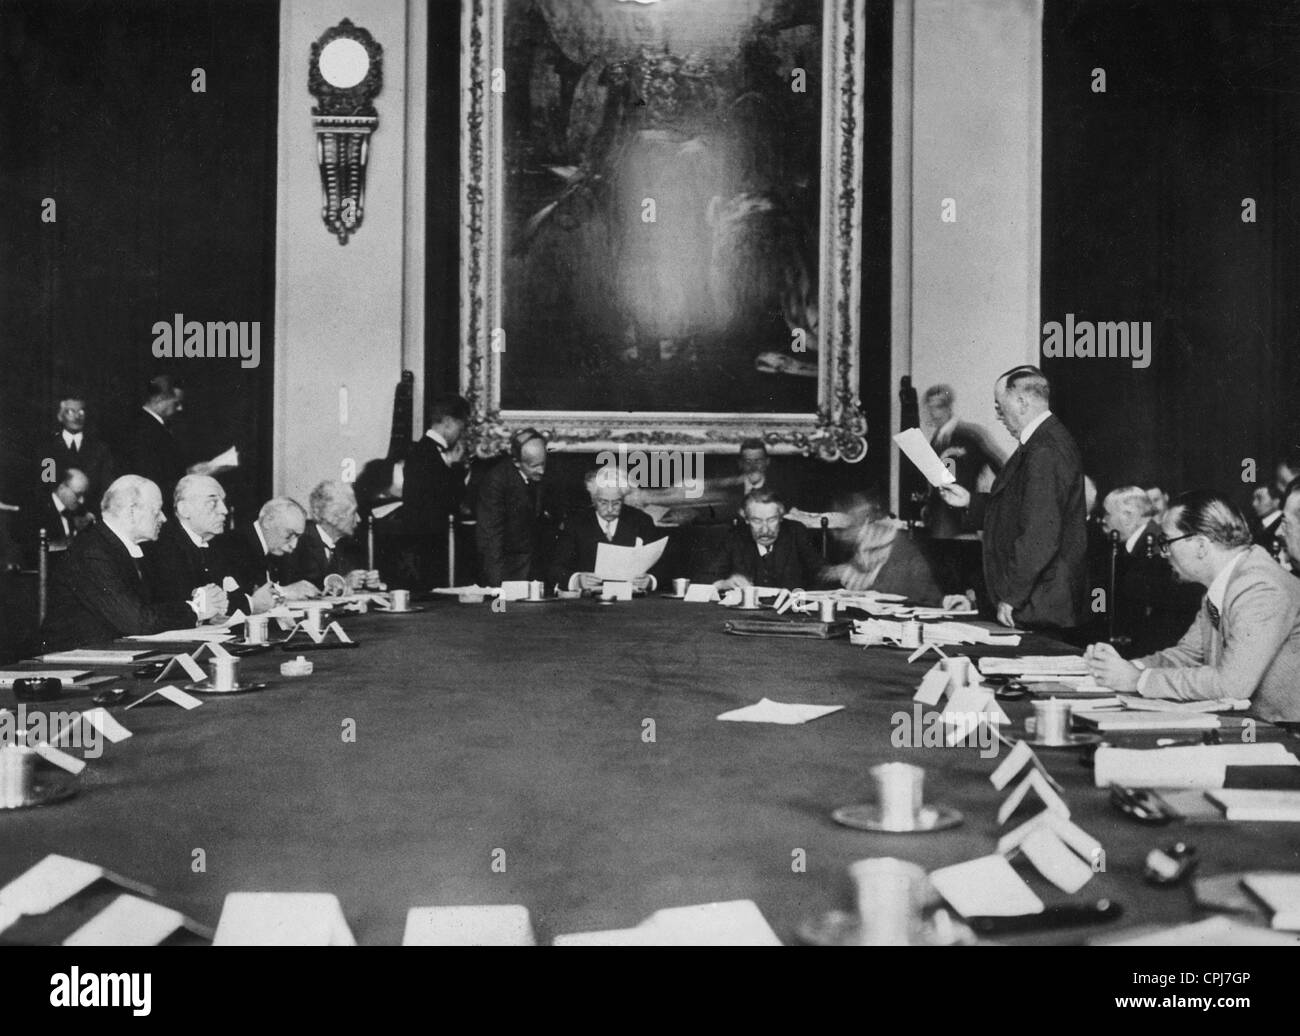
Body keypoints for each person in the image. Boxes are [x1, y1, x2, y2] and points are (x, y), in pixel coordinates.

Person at [1084, 491, 1300, 722]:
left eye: (1167, 542)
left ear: (1200, 546)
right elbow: (1188, 655)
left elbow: (1232, 685)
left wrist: (1138, 679)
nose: (1164, 553)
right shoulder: (1227, 581)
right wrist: (1121, 668)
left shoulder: (1260, 586)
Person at [939, 366, 1087, 631]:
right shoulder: (1041, 443)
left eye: (999, 406)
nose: (998, 416)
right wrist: (970, 502)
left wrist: (1011, 596)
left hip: (1037, 604)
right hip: (1034, 600)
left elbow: (1040, 534)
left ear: (1021, 402)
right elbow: (1019, 510)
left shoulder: (1045, 449)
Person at [40, 475, 226, 651]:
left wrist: (197, 601)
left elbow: (152, 608)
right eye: (157, 510)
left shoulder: (125, 547)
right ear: (131, 512)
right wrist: (196, 609)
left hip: (109, 654)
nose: (163, 518)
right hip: (69, 663)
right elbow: (137, 621)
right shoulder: (93, 552)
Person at [1098, 485, 1200, 655]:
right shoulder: (1133, 546)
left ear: (1128, 516)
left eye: (1107, 513)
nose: (1103, 519)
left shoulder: (1159, 548)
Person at [825, 491, 966, 607]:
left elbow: (895, 594)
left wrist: (848, 574)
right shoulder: (866, 547)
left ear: (863, 520)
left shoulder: (895, 544)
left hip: (925, 612)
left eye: (844, 528)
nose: (839, 536)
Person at [117, 375, 235, 508]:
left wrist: (189, 472)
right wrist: (191, 477)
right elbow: (152, 478)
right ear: (159, 400)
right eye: (176, 403)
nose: (179, 408)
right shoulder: (146, 430)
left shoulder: (147, 425)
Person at [142, 474, 249, 611]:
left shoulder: (218, 546)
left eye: (223, 502)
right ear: (184, 510)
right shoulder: (161, 547)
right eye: (212, 502)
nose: (224, 510)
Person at [548, 468, 660, 593]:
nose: (610, 509)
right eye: (603, 502)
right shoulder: (575, 523)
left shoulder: (642, 521)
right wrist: (577, 580)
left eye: (616, 503)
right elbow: (556, 568)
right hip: (588, 605)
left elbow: (662, 567)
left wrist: (650, 580)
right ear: (593, 499)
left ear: (623, 499)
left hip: (631, 601)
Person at [401, 393, 471, 586]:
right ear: (448, 422)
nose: (461, 433)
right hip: (431, 546)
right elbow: (447, 501)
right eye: (460, 426)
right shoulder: (426, 453)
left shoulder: (424, 450)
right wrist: (456, 469)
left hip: (430, 543)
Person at [704, 489, 824, 590]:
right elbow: (704, 578)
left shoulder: (796, 532)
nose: (765, 530)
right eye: (757, 521)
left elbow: (820, 572)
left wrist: (839, 573)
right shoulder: (735, 537)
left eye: (772, 520)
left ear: (781, 518)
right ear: (746, 519)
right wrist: (724, 584)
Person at [213, 496, 319, 610]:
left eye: (298, 537)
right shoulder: (234, 544)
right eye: (290, 534)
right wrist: (284, 592)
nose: (293, 545)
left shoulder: (274, 550)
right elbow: (242, 598)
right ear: (268, 521)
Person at [476, 429, 551, 584]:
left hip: (538, 571)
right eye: (534, 466)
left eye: (543, 463)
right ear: (516, 462)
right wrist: (498, 586)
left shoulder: (546, 473)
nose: (541, 471)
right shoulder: (496, 481)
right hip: (508, 572)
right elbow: (491, 539)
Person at [283, 481, 381, 593]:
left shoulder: (344, 547)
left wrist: (369, 584)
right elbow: (303, 588)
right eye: (353, 513)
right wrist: (342, 583)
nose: (358, 519)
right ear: (335, 516)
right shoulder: (300, 542)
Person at [42, 396, 115, 511]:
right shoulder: (48, 449)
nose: (77, 417)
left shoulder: (100, 449)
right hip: (59, 517)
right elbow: (47, 484)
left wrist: (91, 514)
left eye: (81, 412)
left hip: (91, 518)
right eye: (70, 412)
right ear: (60, 416)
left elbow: (106, 488)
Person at [27, 468, 91, 555]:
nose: (81, 501)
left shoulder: (79, 512)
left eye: (84, 495)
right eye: (78, 494)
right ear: (62, 488)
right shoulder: (36, 511)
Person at [1250, 483, 1285, 554]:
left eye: (1260, 499)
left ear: (1276, 501)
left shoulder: (1283, 524)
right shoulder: (1254, 525)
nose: (1254, 504)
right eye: (1254, 499)